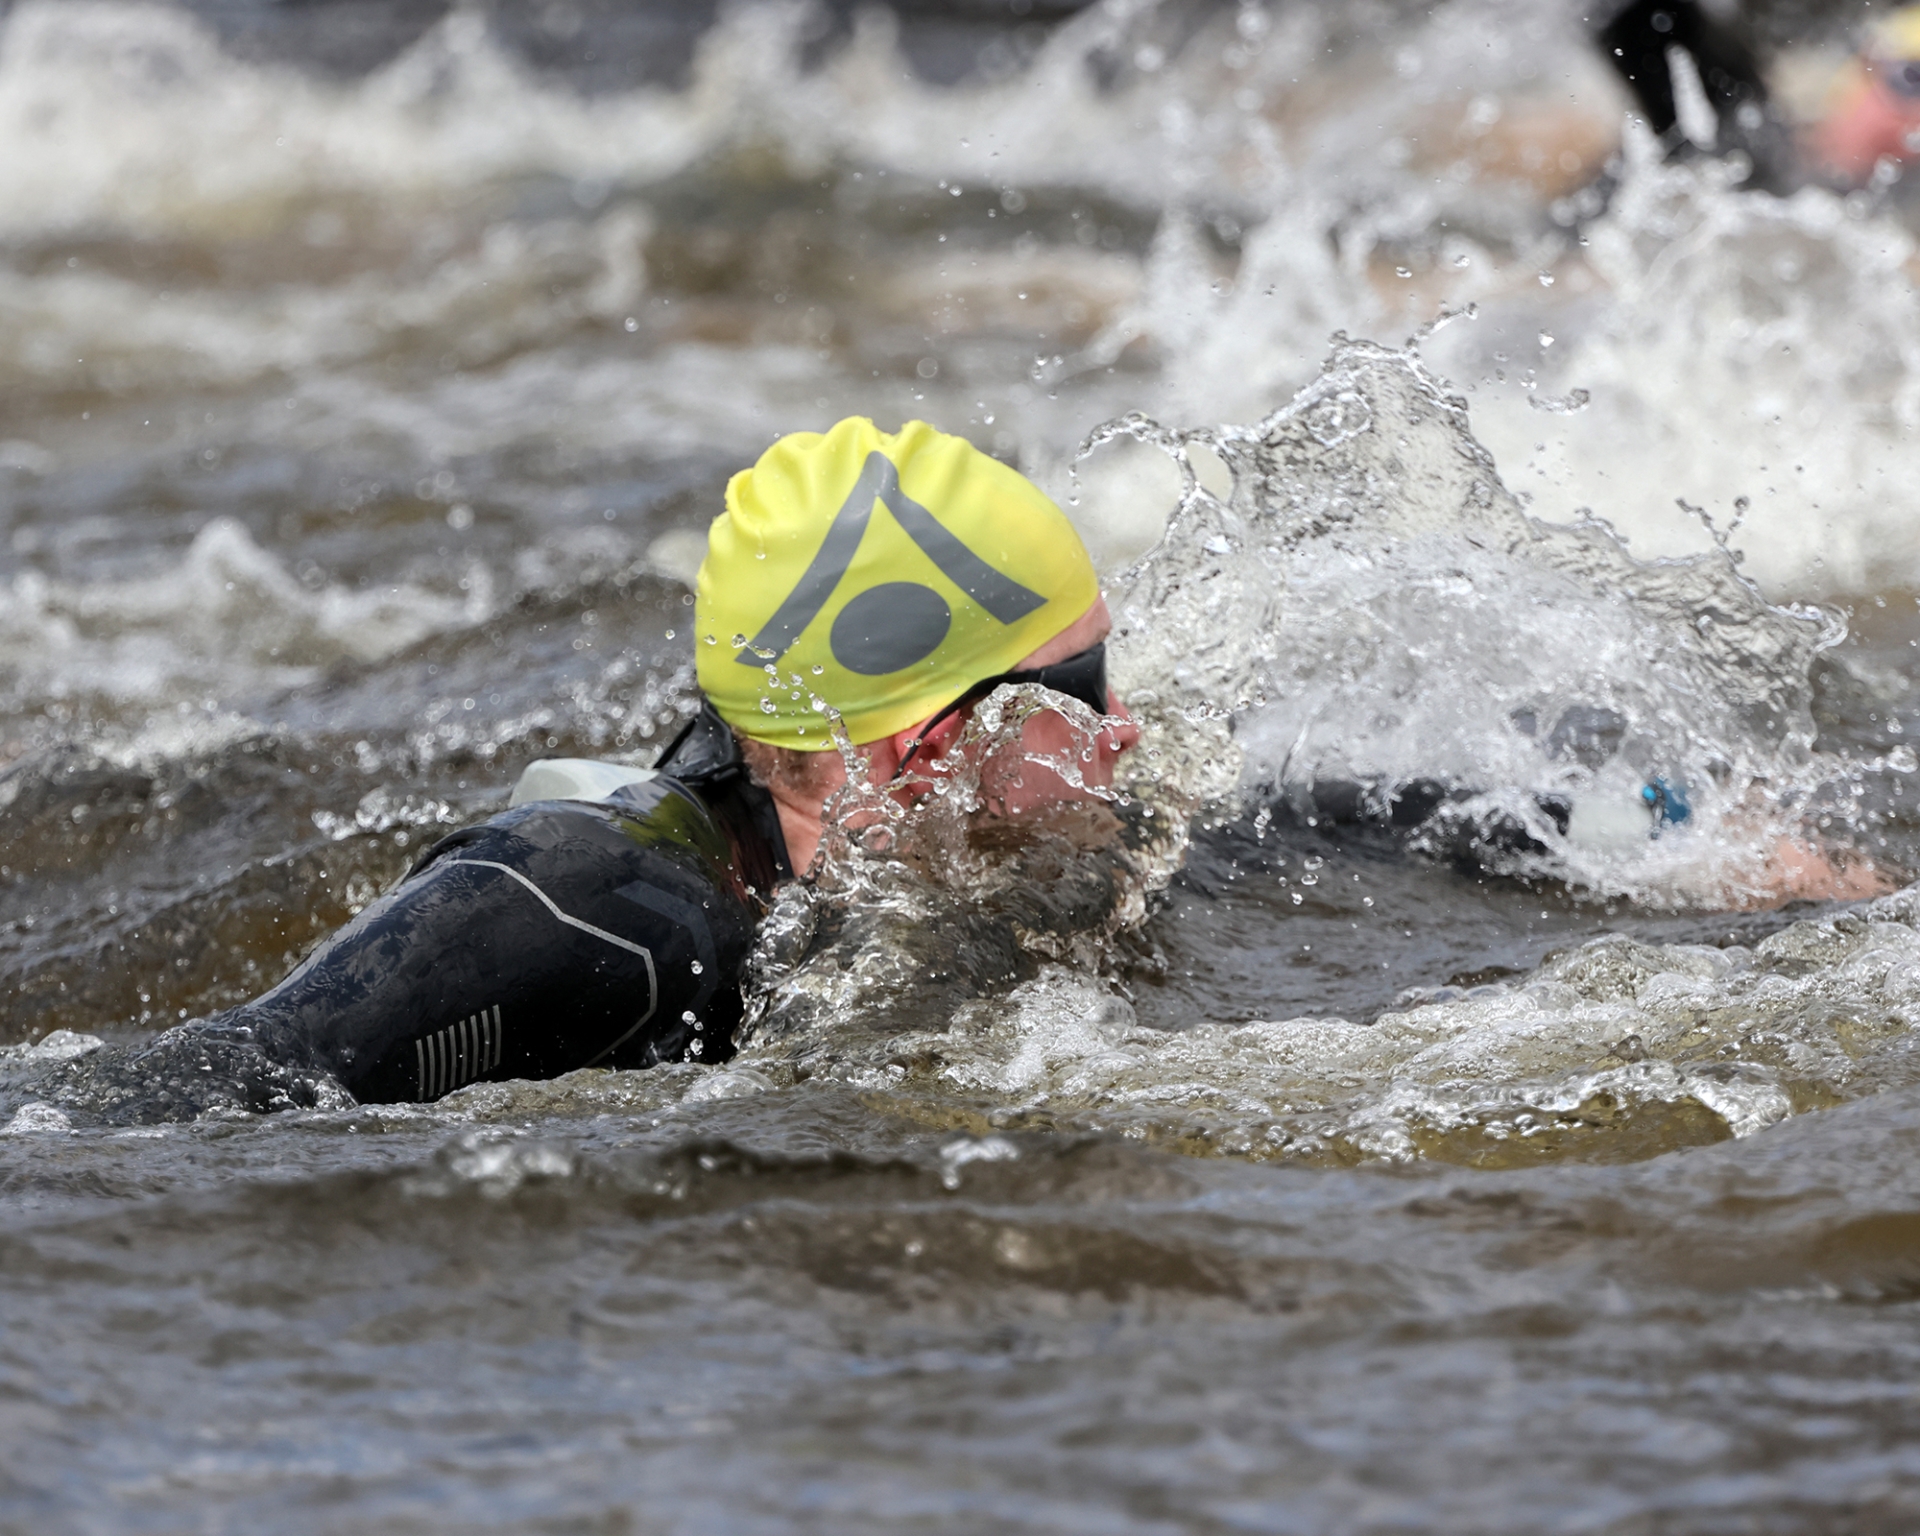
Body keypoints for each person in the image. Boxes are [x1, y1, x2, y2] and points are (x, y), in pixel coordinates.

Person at [175, 417, 1138, 1105]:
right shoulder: (582, 903)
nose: (1127, 724)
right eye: (1086, 685)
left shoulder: (844, 891)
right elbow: (182, 1104)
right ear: (930, 752)